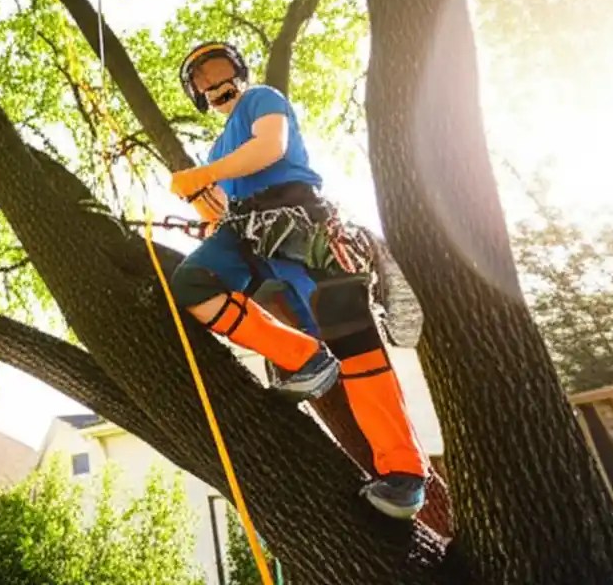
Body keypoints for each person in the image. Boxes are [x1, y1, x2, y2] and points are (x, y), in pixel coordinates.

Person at [167, 41, 428, 519]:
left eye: (220, 72)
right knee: (191, 283)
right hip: (244, 233)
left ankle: (404, 473)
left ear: (239, 72)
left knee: (358, 348)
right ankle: (303, 358)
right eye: (203, 82)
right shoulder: (218, 145)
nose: (215, 84)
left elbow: (271, 148)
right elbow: (230, 198)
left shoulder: (262, 99)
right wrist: (207, 205)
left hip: (299, 220)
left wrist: (202, 174)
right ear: (198, 96)